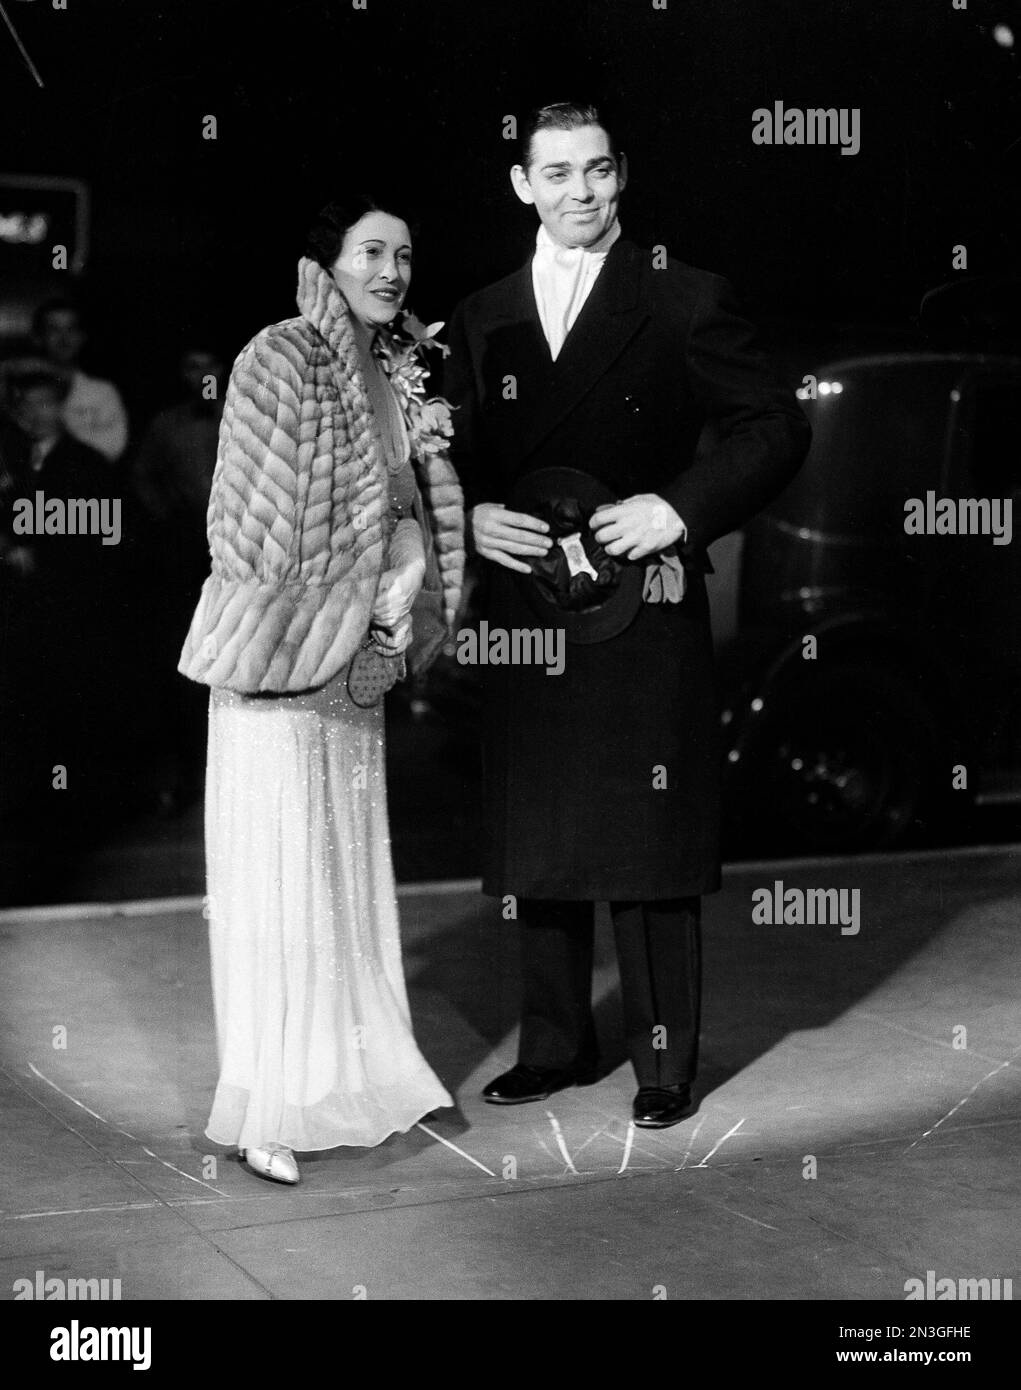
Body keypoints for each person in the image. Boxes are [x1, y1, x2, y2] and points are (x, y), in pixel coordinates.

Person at [445, 102, 811, 1128]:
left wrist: (680, 506)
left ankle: (662, 1062)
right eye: (556, 174)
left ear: (621, 175)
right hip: (530, 608)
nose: (580, 192)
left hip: (641, 604)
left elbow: (773, 427)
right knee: (542, 826)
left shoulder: (684, 295)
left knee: (648, 836)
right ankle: (556, 1045)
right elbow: (454, 458)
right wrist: (467, 515)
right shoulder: (481, 316)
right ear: (522, 185)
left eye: (597, 171)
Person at [178, 196, 465, 1184]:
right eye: (372, 252)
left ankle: (347, 1072)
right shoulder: (281, 356)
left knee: (337, 880)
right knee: (275, 888)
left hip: (354, 661)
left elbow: (410, 512)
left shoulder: (396, 373)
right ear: (327, 263)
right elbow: (251, 525)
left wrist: (408, 591)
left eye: (405, 254)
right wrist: (348, 597)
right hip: (278, 663)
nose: (392, 270)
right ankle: (267, 1104)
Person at [32, 299, 129, 463]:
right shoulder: (23, 390)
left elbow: (113, 448)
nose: (64, 338)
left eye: (71, 329)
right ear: (38, 337)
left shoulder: (102, 392)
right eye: (53, 329)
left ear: (82, 337)